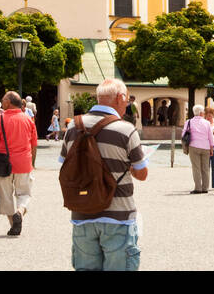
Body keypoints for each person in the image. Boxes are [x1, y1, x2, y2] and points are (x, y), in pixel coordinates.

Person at [61, 78, 148, 271]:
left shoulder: (73, 128)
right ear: (120, 97)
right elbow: (142, 173)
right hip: (118, 215)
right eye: (126, 99)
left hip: (82, 213)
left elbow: (65, 164)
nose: (127, 103)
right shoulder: (125, 129)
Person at [0, 91, 38, 236]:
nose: (2, 102)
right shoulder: (28, 119)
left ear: (8, 103)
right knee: (25, 194)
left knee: (6, 195)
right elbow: (34, 144)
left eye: (3, 100)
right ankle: (20, 213)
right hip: (24, 163)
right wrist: (32, 162)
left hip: (3, 163)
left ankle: (13, 225)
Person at [183, 107, 214, 194]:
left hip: (194, 146)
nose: (204, 113)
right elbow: (210, 137)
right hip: (206, 147)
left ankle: (198, 188)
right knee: (205, 168)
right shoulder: (207, 123)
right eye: (203, 112)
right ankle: (205, 188)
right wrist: (211, 148)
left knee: (196, 168)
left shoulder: (189, 122)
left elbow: (183, 134)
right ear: (201, 113)